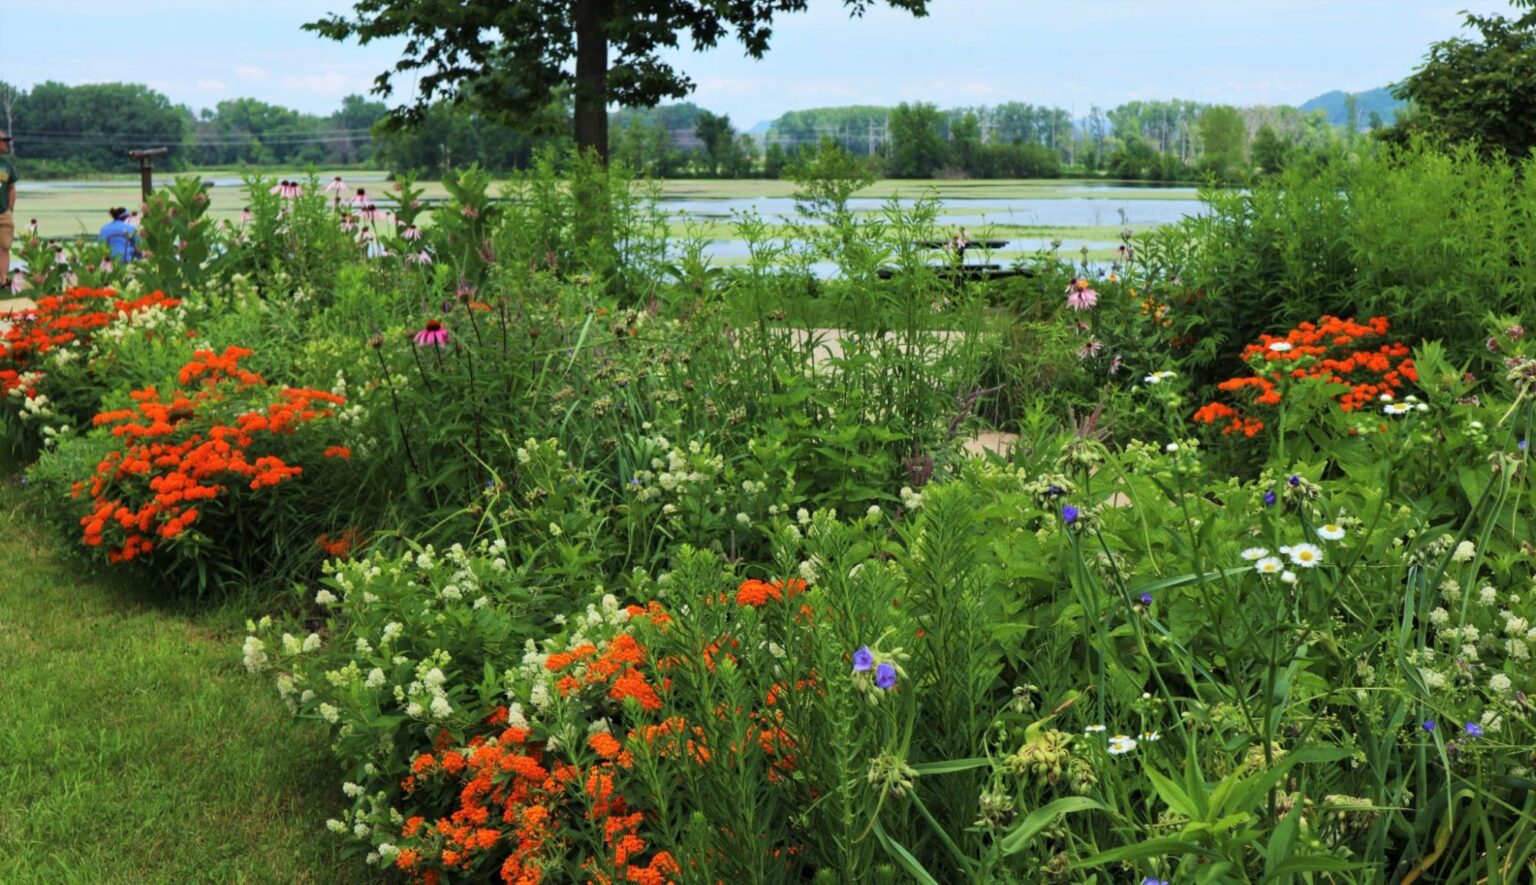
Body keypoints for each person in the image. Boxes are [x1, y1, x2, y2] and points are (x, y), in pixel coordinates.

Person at [0, 130, 16, 283]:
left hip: (4, 213)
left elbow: (11, 188)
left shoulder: (6, 165)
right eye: (4, 140)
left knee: (5, 247)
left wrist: (10, 209)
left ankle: (3, 280)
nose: (7, 143)